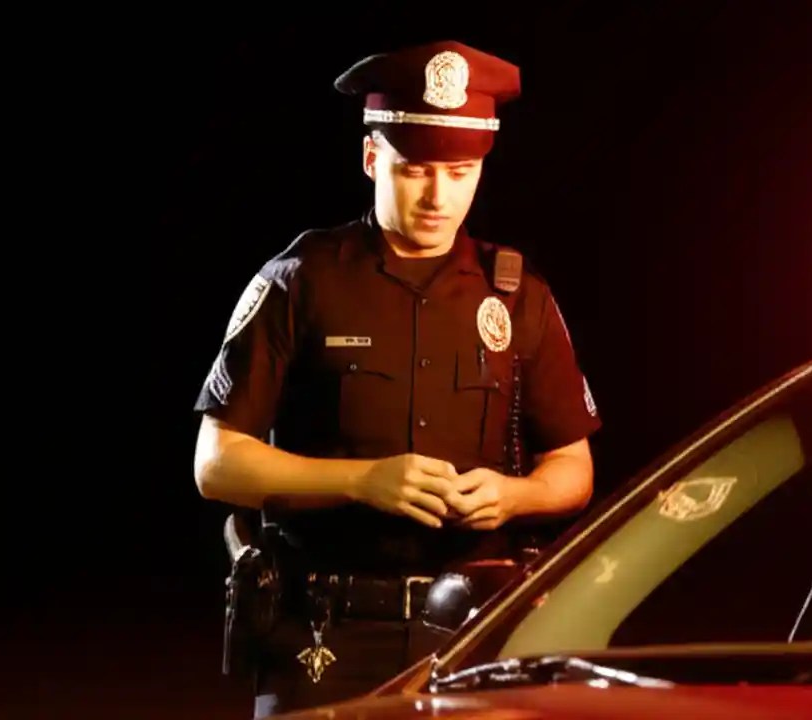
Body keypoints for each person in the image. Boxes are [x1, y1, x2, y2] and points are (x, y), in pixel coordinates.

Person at [191, 40, 601, 717]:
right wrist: (360, 480)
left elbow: (574, 469)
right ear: (372, 159)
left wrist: (513, 495)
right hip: (323, 635)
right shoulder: (302, 282)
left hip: (471, 635)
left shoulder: (519, 296)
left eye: (462, 170)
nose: (440, 194)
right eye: (415, 171)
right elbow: (216, 464)